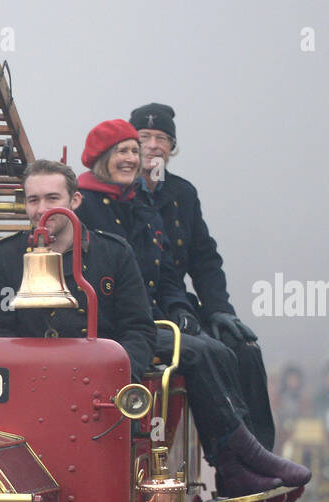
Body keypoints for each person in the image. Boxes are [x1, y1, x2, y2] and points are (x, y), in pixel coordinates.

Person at [73, 124, 310, 496]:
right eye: (123, 151)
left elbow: (170, 270)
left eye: (135, 152)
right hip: (121, 324)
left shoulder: (140, 202)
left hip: (156, 316)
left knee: (238, 348)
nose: (133, 158)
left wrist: (188, 309)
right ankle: (236, 458)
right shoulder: (84, 205)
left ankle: (253, 455)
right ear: (101, 157)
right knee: (201, 353)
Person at [131, 102, 277, 450]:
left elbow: (205, 260)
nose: (153, 145)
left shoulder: (183, 194)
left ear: (172, 148)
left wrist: (218, 310)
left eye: (162, 138)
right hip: (143, 311)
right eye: (145, 137)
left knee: (245, 349)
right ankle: (231, 453)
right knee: (209, 354)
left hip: (180, 305)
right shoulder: (120, 195)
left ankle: (261, 453)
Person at [0, 160, 156, 382]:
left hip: (99, 382)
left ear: (75, 200)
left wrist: (115, 376)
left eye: (52, 198)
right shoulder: (6, 256)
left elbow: (138, 330)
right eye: (34, 200)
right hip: (28, 382)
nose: (42, 209)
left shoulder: (114, 253)